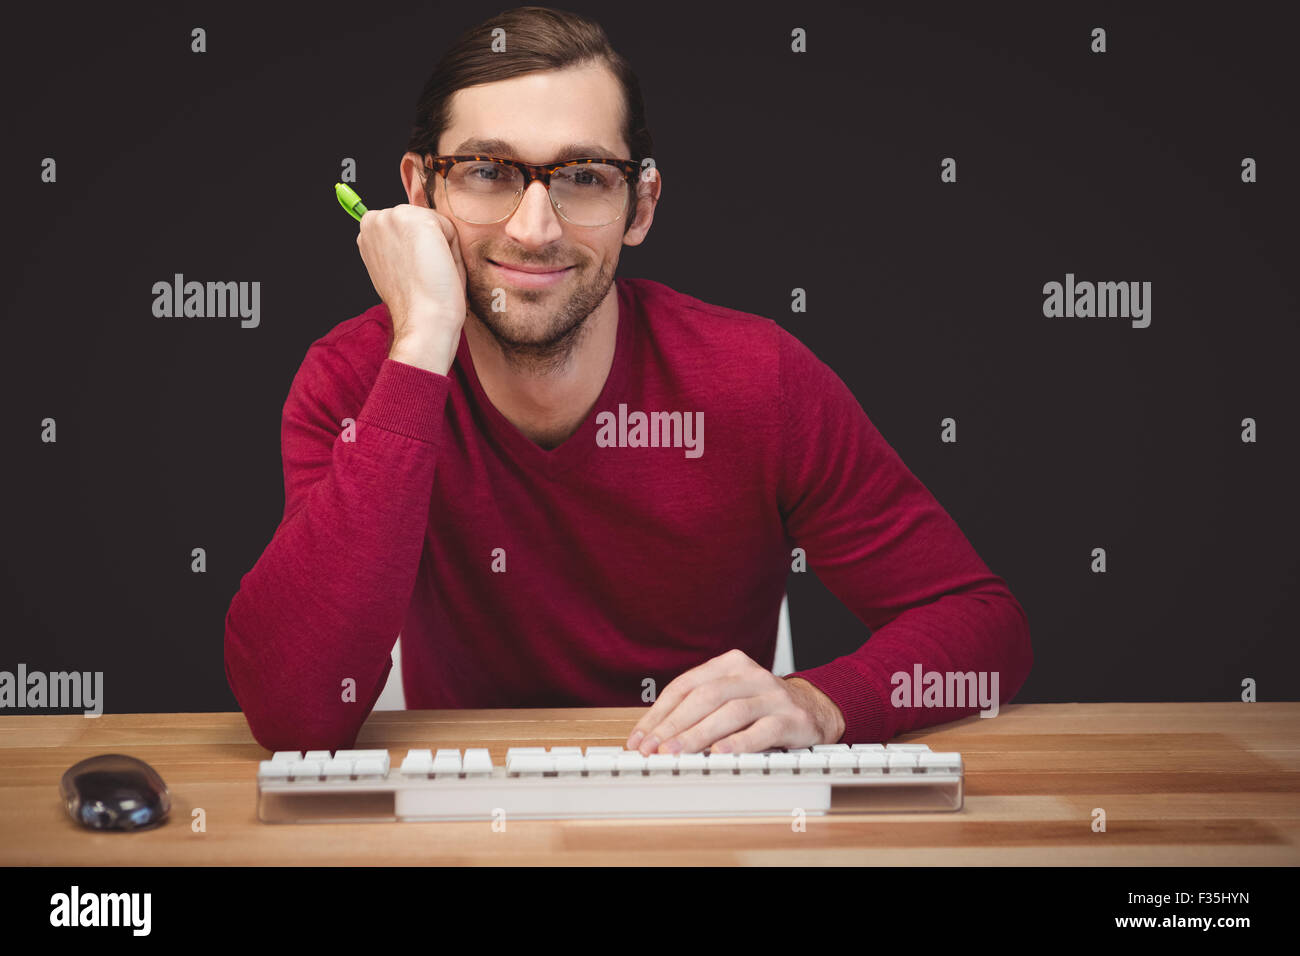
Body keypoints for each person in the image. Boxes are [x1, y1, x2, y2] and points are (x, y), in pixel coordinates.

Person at [224, 5, 1032, 753]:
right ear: (417, 193)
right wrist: (425, 335)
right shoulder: (357, 378)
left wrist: (823, 702)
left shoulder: (758, 380)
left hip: (711, 816)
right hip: (468, 824)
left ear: (639, 205)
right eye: (485, 171)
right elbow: (294, 713)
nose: (533, 228)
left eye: (583, 177)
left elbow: (983, 626)